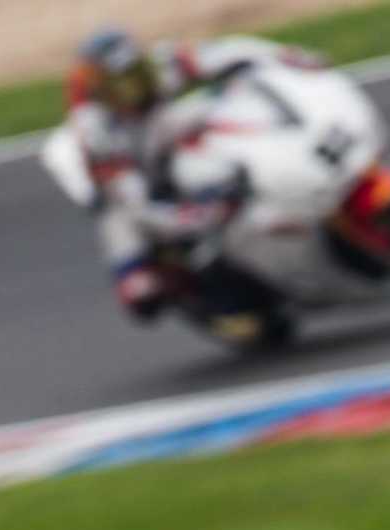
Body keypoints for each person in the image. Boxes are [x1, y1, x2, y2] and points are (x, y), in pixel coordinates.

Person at [63, 27, 323, 321]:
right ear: (104, 92)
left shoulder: (160, 69)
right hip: (138, 186)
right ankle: (138, 272)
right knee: (126, 240)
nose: (138, 85)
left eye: (138, 72)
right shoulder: (99, 134)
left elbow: (229, 51)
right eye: (124, 82)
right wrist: (196, 217)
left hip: (164, 138)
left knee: (226, 105)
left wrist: (287, 57)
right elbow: (137, 207)